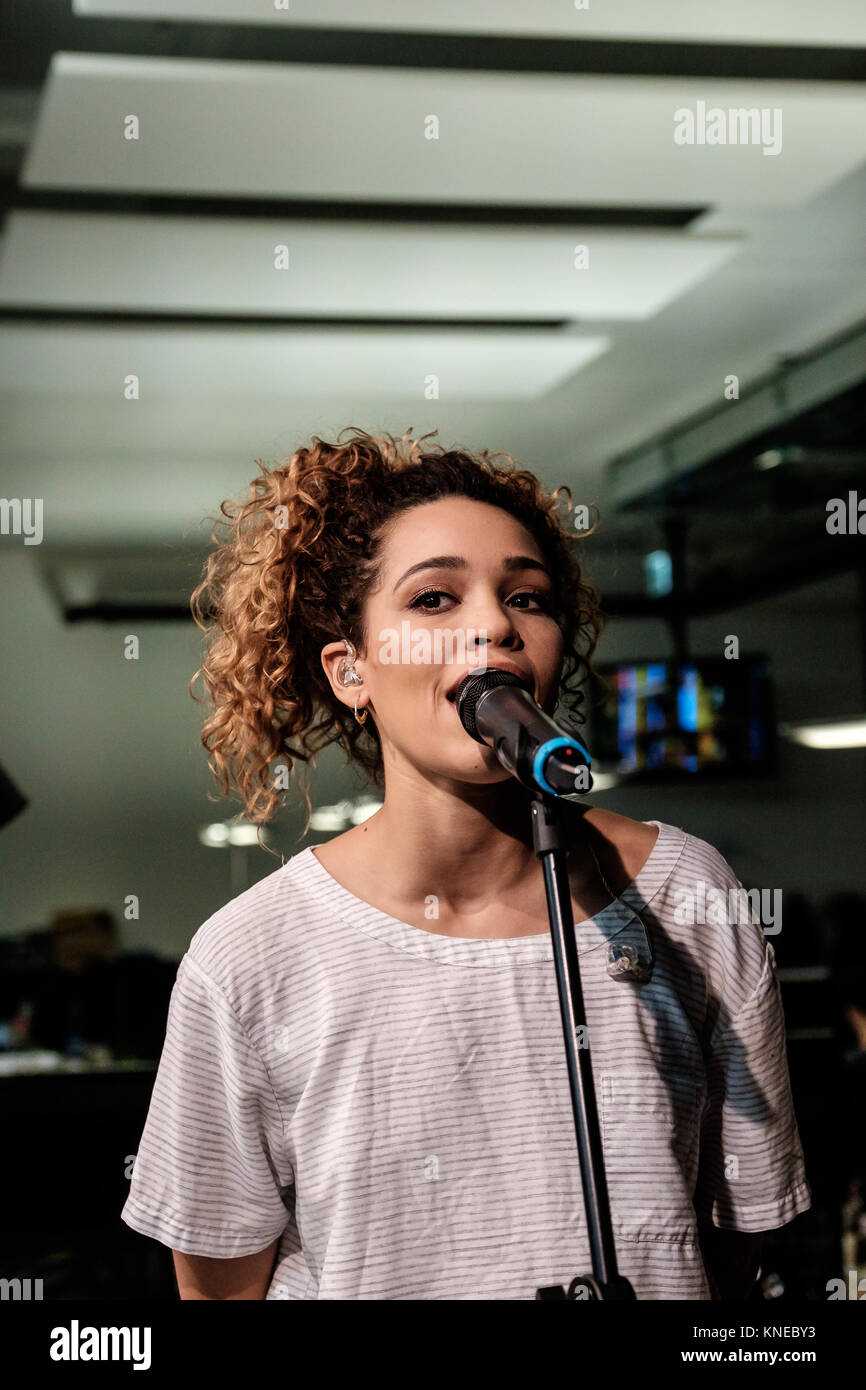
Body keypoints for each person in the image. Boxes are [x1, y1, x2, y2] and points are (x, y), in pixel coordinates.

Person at [120, 427, 811, 1300]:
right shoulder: (250, 957)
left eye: (527, 597)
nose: (494, 625)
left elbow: (746, 1237)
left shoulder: (686, 894)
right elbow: (220, 1288)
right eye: (436, 600)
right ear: (351, 670)